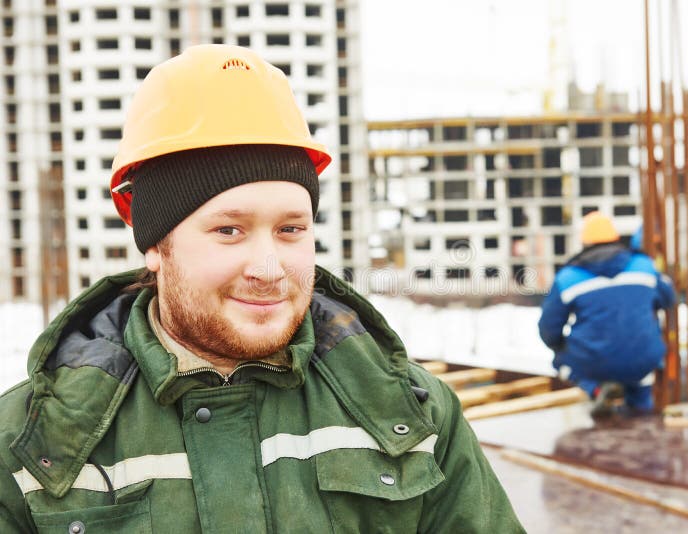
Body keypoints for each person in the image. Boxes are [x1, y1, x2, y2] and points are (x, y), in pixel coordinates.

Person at [0, 45, 524, 533]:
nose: (270, 268)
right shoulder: (30, 441)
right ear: (156, 244)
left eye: (290, 229)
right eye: (229, 230)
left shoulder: (412, 413)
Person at [538, 211, 676, 417]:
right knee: (641, 365)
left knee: (559, 361)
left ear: (584, 243)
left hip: (594, 362)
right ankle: (641, 409)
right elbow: (668, 298)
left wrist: (561, 346)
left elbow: (548, 328)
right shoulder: (643, 266)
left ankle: (595, 389)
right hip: (643, 359)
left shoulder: (567, 278)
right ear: (615, 238)